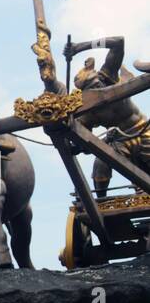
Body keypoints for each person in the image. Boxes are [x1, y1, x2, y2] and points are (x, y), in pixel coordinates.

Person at [64, 36, 150, 198]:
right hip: (119, 141)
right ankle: (101, 201)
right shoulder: (89, 111)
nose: (98, 90)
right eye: (91, 90)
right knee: (101, 163)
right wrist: (67, 131)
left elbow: (118, 42)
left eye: (97, 84)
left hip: (144, 130)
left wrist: (80, 47)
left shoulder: (108, 77)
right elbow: (81, 146)